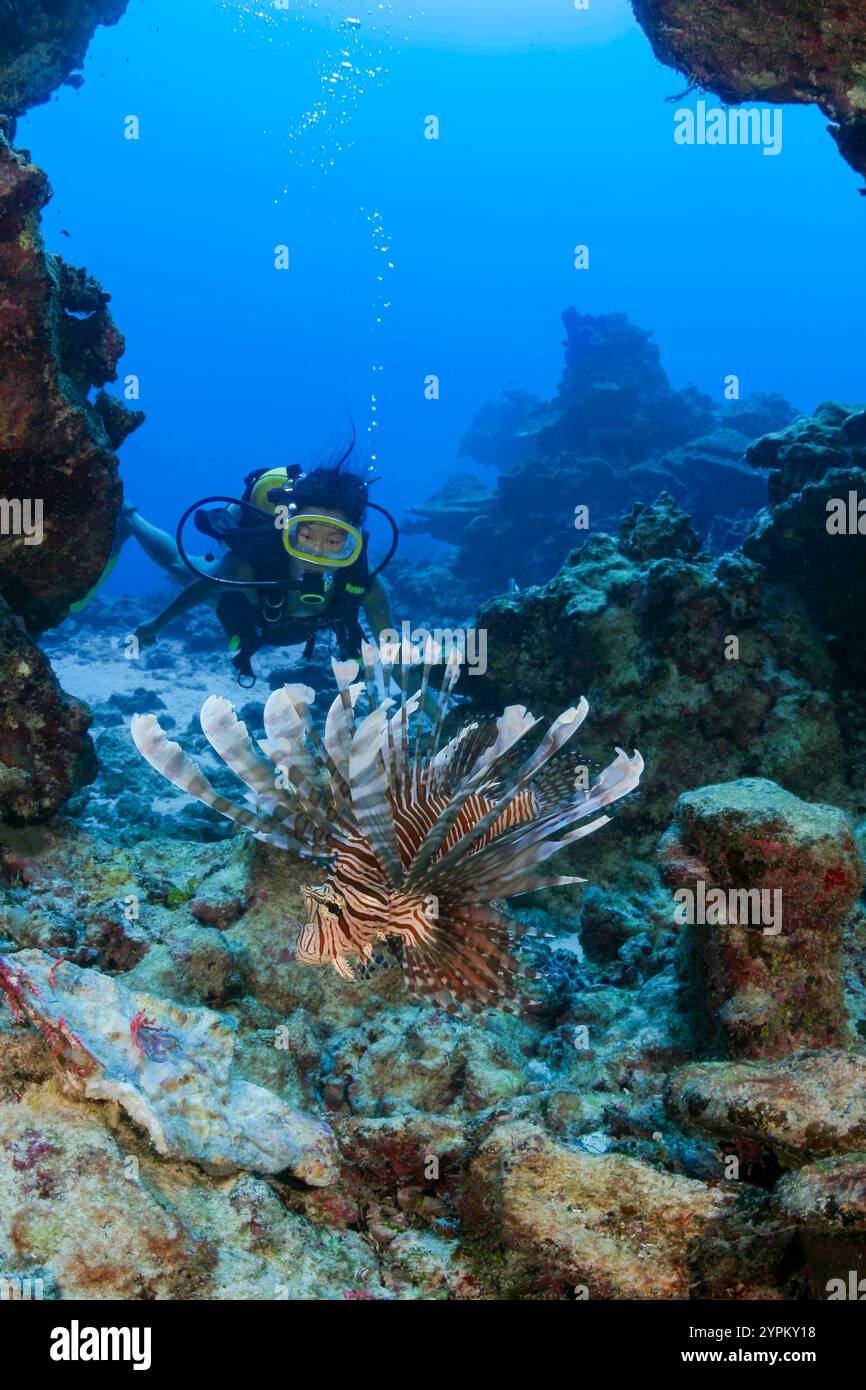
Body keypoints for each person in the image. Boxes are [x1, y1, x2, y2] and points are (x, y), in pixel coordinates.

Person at [124, 457, 399, 687]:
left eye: (334, 542)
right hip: (248, 601)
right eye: (305, 536)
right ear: (288, 529)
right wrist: (156, 624)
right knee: (177, 566)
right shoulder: (247, 567)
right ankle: (129, 515)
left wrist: (433, 706)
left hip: (283, 625)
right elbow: (205, 587)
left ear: (353, 542)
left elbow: (396, 663)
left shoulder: (366, 586)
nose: (316, 553)